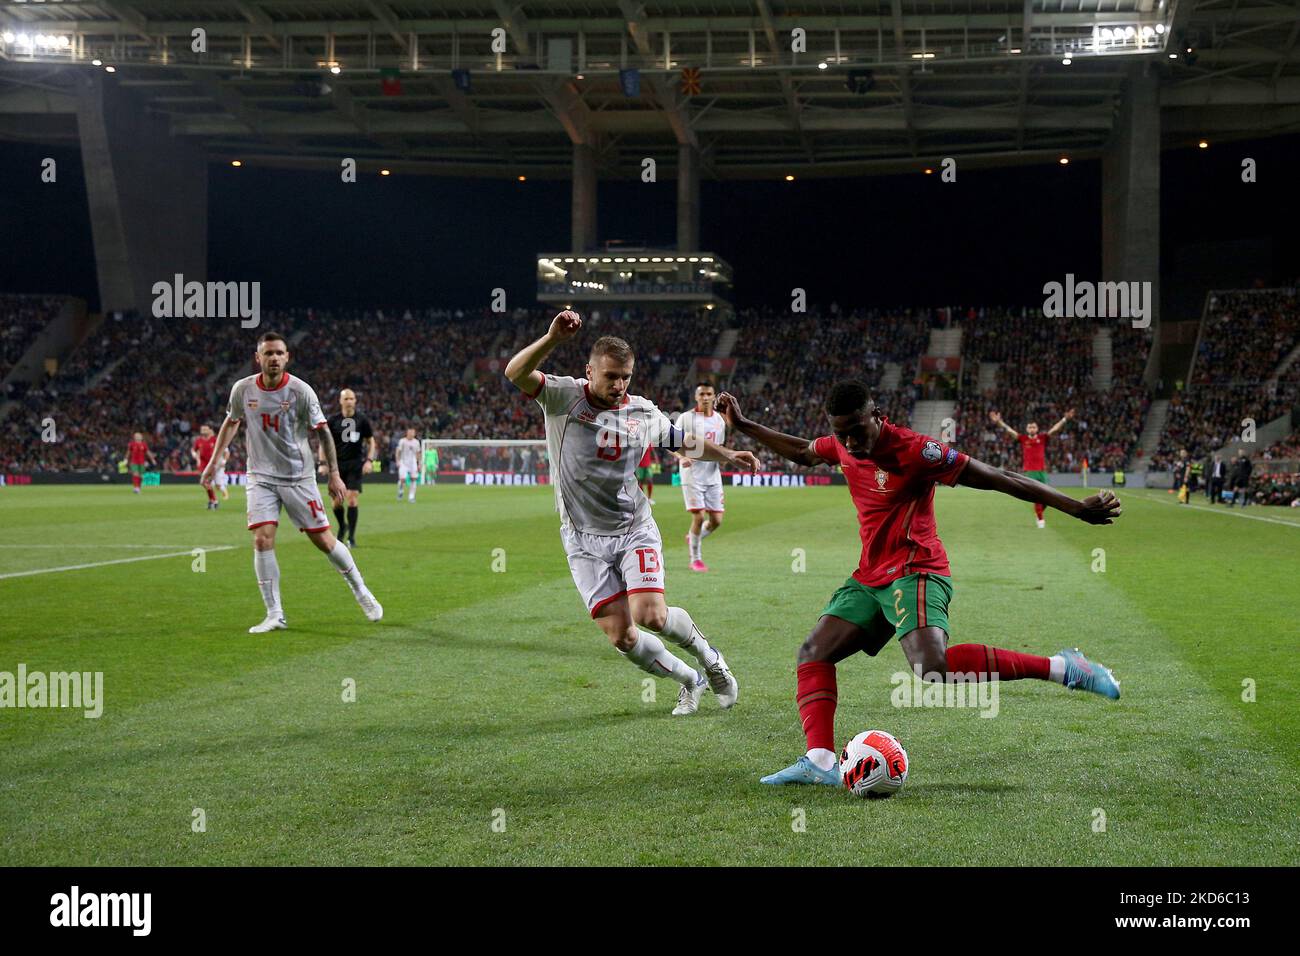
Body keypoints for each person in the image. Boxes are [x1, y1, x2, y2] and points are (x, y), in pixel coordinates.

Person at [715, 383, 1122, 787]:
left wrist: (1075, 508)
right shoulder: (841, 444)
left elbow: (998, 477)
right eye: (842, 434)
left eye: (859, 430)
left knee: (931, 667)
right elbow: (805, 451)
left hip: (917, 569)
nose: (852, 442)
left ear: (878, 416)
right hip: (870, 575)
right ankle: (820, 760)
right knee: (813, 653)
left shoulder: (917, 450)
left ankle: (1065, 668)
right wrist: (745, 424)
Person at [504, 310, 753, 716]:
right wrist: (551, 338)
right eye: (610, 376)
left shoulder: (642, 412)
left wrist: (727, 453)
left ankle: (712, 660)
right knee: (621, 636)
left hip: (632, 527)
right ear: (590, 371)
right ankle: (690, 680)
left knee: (649, 615)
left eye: (625, 377)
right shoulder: (561, 397)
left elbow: (682, 442)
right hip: (581, 537)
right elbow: (515, 372)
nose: (619, 385)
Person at [200, 331, 383, 633]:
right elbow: (231, 423)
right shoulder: (242, 390)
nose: (273, 358)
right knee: (261, 539)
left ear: (287, 357)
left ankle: (361, 590)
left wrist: (333, 473)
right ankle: (275, 614)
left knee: (323, 540)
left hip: (298, 477)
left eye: (279, 353)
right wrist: (213, 461)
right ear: (257, 358)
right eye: (268, 353)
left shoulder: (300, 391)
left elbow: (323, 431)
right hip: (260, 477)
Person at [989, 408, 1074, 527]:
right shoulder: (1024, 439)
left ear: (1037, 429)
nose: (1032, 429)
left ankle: (1038, 512)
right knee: (1037, 496)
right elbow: (1010, 431)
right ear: (1027, 429)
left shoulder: (1043, 438)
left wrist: (1065, 419)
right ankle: (1040, 519)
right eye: (1030, 427)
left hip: (1042, 472)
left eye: (1034, 427)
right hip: (1030, 472)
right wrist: (999, 422)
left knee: (1048, 497)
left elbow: (1055, 429)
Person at [673, 382, 727, 572]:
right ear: (696, 397)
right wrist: (682, 456)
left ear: (714, 397)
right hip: (692, 474)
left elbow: (718, 448)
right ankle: (695, 559)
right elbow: (670, 442)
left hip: (712, 474)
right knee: (698, 516)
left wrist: (724, 458)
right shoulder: (686, 419)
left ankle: (693, 537)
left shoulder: (720, 421)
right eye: (701, 394)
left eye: (708, 394)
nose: (705, 397)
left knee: (717, 521)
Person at [322, 388, 376, 547]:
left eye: (352, 398)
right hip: (336, 466)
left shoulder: (362, 420)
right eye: (346, 399)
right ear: (340, 401)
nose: (349, 401)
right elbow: (324, 442)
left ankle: (351, 537)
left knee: (352, 498)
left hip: (355, 464)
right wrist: (323, 463)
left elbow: (371, 441)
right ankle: (342, 526)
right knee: (337, 502)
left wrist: (369, 460)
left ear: (355, 401)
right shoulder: (332, 421)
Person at [193, 424, 220, 509]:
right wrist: (196, 458)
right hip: (202, 465)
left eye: (205, 429)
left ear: (209, 430)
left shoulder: (214, 440)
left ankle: (213, 500)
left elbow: (220, 450)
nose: (203, 431)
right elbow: (194, 450)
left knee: (205, 482)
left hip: (211, 465)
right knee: (205, 483)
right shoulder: (198, 440)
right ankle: (213, 501)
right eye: (202, 429)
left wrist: (218, 462)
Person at [396, 428, 421, 502]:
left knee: (414, 479)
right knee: (402, 479)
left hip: (413, 462)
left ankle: (411, 496)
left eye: (413, 433)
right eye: (410, 432)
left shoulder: (416, 442)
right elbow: (398, 451)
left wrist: (419, 463)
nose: (412, 434)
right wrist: (397, 461)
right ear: (407, 433)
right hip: (403, 462)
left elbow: (418, 453)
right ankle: (401, 491)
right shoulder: (402, 441)